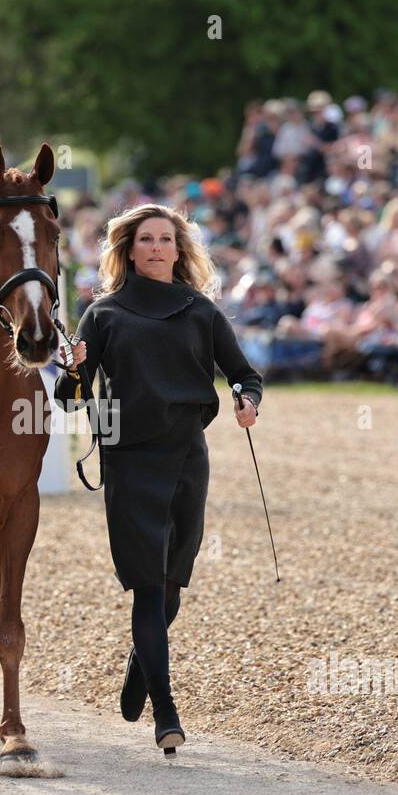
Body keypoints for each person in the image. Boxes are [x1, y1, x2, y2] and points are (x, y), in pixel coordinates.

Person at [53, 204, 263, 755]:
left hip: (187, 458)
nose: (155, 248)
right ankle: (165, 713)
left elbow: (244, 374)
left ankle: (141, 664)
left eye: (164, 239)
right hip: (127, 460)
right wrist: (74, 369)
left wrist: (247, 400)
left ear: (179, 248)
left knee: (171, 587)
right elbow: (71, 400)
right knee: (147, 588)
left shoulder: (201, 311)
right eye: (144, 239)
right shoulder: (102, 315)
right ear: (128, 249)